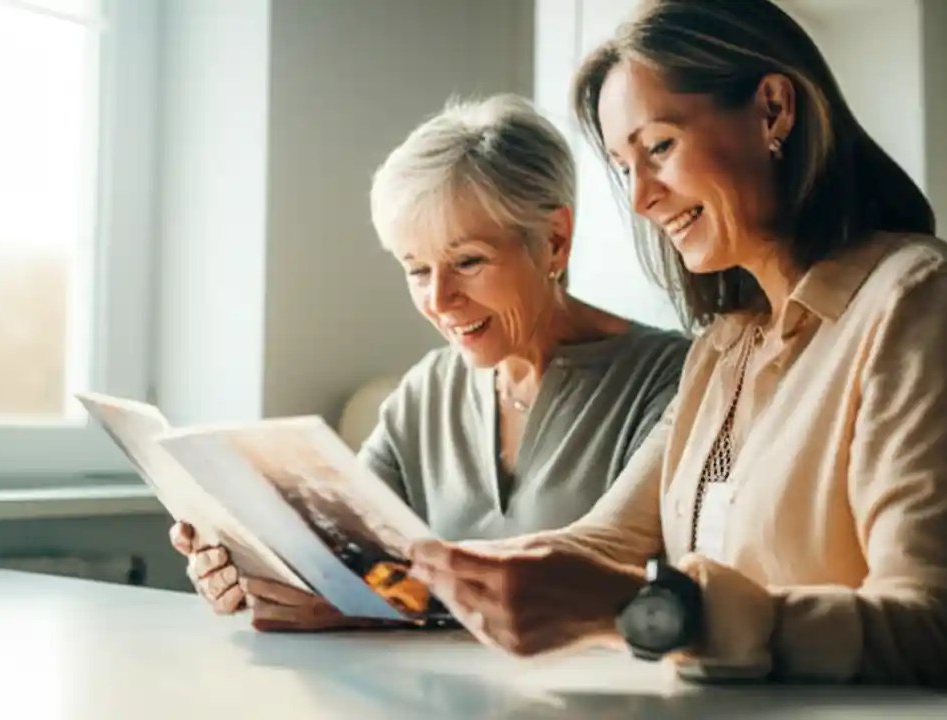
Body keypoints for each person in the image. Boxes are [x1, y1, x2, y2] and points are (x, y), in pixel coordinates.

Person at [406, 0, 947, 713]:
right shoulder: (725, 345)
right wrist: (381, 582)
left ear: (772, 110)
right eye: (625, 166)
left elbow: (943, 639)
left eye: (660, 147)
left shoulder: (928, 301)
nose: (642, 198)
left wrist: (657, 610)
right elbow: (600, 544)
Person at [170, 94, 690, 631]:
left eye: (467, 262)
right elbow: (336, 558)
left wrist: (377, 605)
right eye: (417, 269)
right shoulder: (426, 392)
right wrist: (242, 564)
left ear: (555, 241)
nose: (440, 300)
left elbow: (634, 587)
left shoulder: (672, 380)